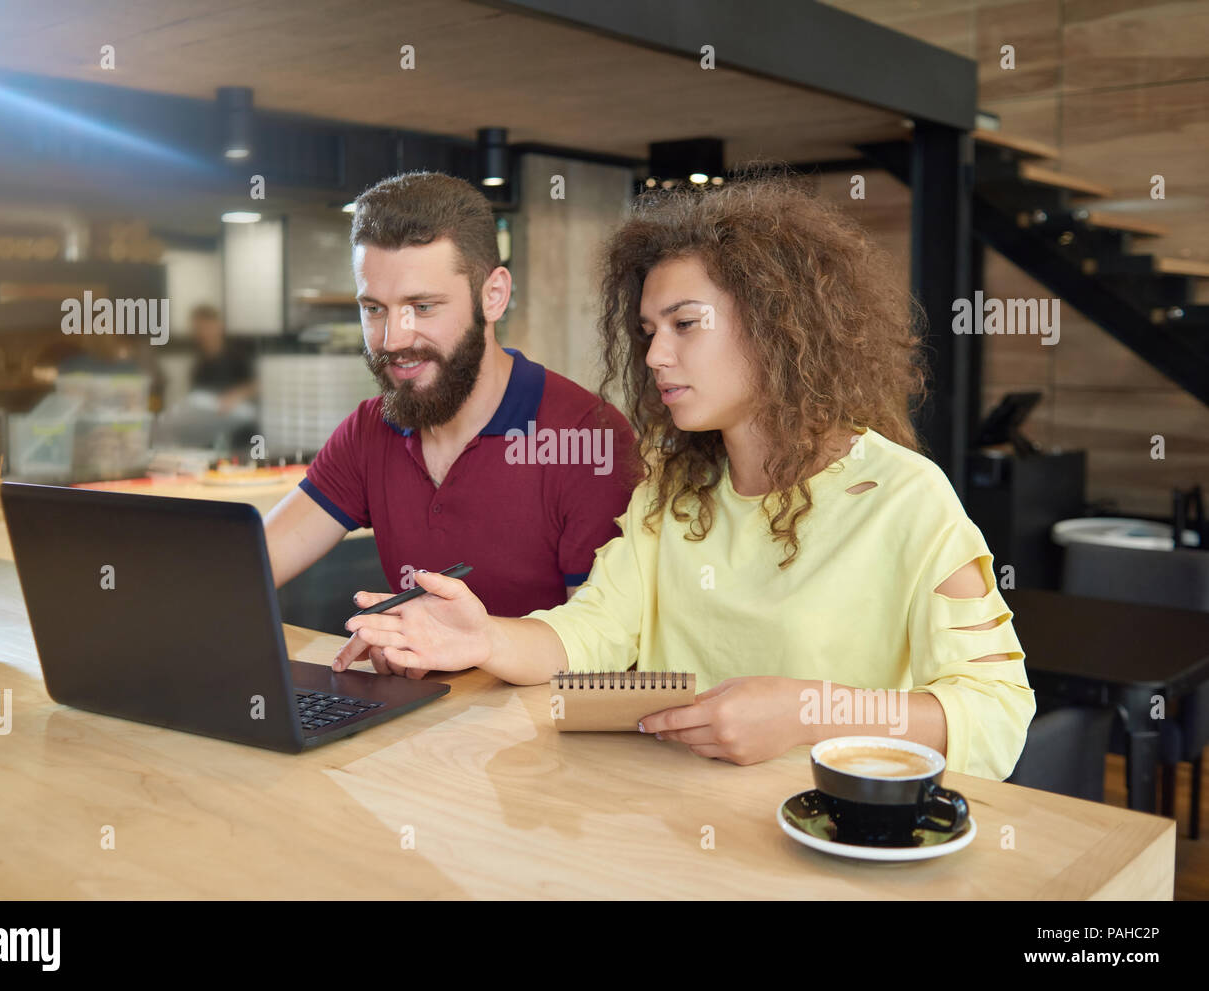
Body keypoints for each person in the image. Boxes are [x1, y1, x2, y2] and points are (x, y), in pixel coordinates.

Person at [334, 173, 1035, 780]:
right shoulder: (671, 489)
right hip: (670, 824)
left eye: (685, 324)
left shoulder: (906, 498)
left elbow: (997, 711)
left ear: (776, 326)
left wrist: (806, 713)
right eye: (647, 331)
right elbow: (594, 633)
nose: (656, 356)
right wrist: (480, 637)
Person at [264, 172, 637, 676]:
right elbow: (248, 565)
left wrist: (456, 647)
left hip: (539, 741)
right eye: (374, 309)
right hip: (423, 729)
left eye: (422, 306)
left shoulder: (586, 437)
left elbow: (603, 651)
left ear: (493, 295)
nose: (394, 338)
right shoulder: (371, 428)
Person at [188, 305, 256, 414]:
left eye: (206, 327)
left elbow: (258, 385)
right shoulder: (199, 366)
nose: (203, 333)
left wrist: (237, 395)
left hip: (240, 418)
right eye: (198, 329)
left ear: (219, 326)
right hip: (211, 418)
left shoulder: (237, 355)